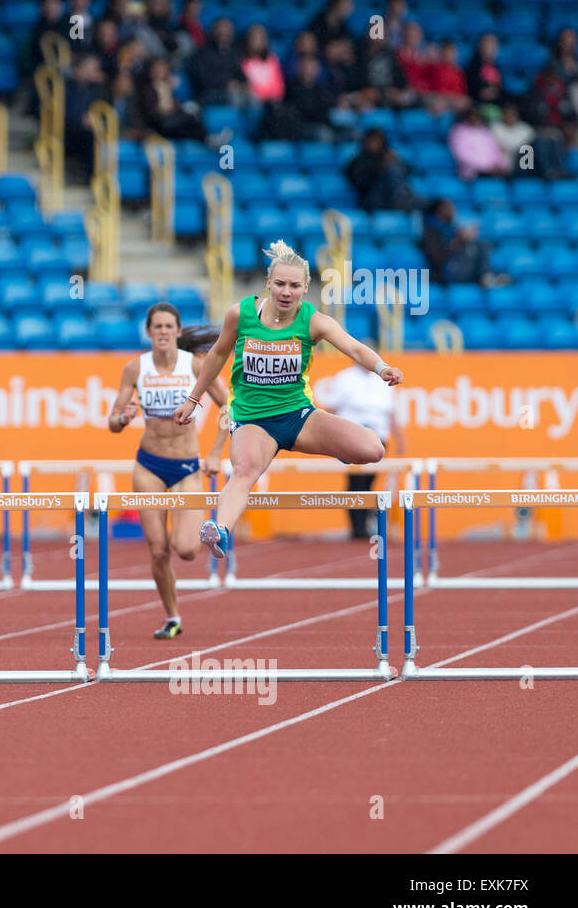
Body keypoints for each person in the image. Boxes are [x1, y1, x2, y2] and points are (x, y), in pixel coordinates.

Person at [174, 241, 404, 559]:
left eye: (294, 286)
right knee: (246, 469)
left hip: (298, 416)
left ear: (305, 288)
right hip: (253, 420)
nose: (286, 292)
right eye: (280, 284)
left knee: (373, 448)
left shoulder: (313, 321)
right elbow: (215, 356)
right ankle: (220, 530)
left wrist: (382, 368)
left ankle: (340, 450)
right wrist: (193, 399)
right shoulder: (240, 314)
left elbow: (353, 348)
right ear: (268, 283)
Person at [107, 304, 227, 638]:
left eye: (168, 326)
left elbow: (229, 408)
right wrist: (124, 418)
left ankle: (185, 552)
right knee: (158, 550)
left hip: (187, 466)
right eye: (157, 326)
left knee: (187, 549)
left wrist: (216, 451)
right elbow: (113, 422)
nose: (162, 332)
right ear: (148, 332)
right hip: (149, 465)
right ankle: (173, 617)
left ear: (177, 331)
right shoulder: (135, 368)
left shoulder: (195, 365)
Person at [320, 354, 405, 539]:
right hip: (352, 435)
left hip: (378, 435)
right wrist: (327, 436)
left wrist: (400, 439)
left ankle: (364, 523)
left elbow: (390, 412)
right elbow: (331, 409)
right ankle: (357, 527)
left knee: (368, 481)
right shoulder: (344, 378)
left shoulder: (383, 380)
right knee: (356, 481)